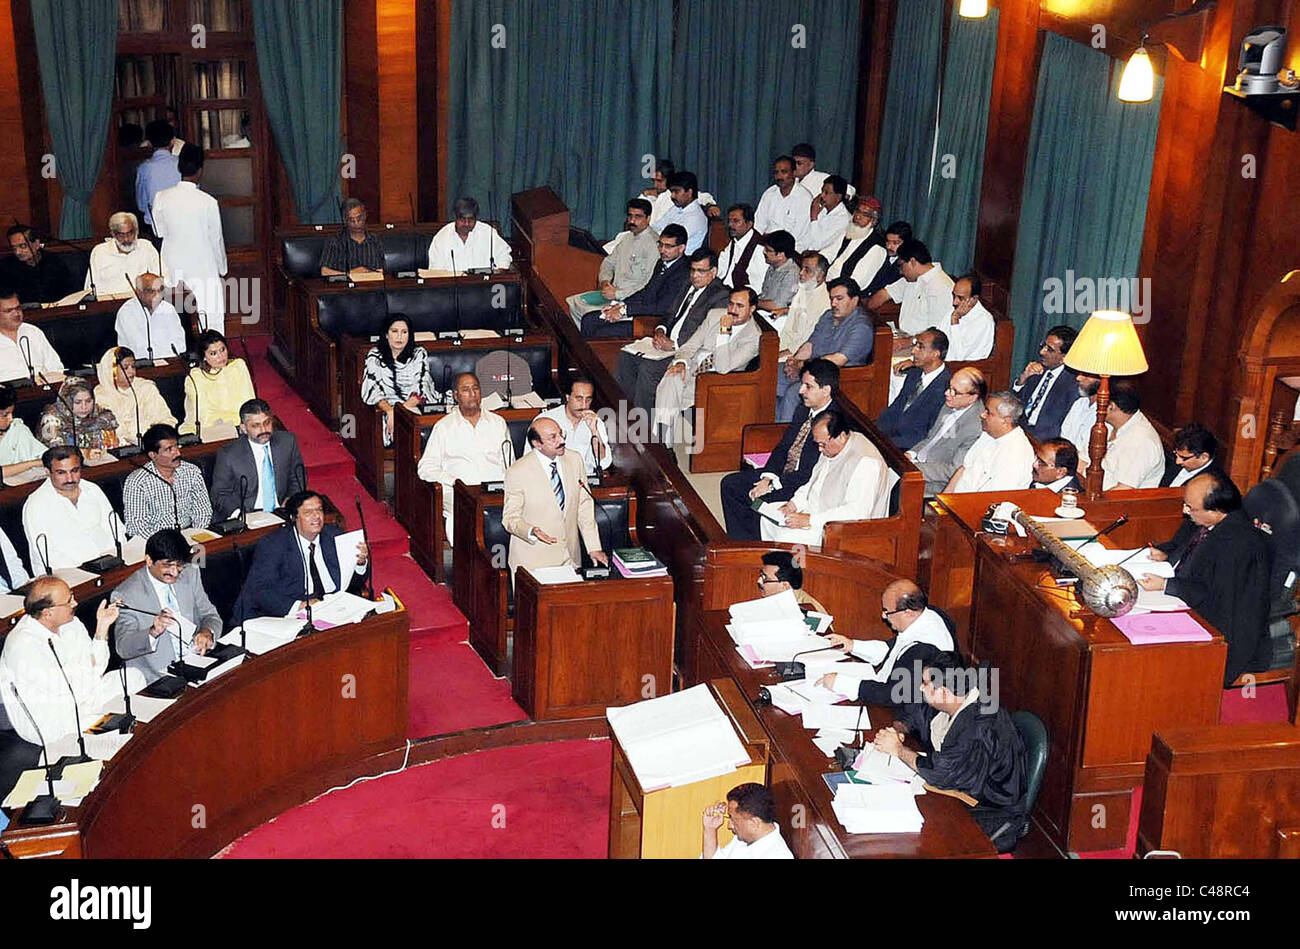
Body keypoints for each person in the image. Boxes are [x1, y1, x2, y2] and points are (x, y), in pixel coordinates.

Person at [872, 653, 1030, 850]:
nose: (921, 688)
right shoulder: (959, 698)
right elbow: (917, 711)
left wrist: (899, 750)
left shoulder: (976, 725)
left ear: (944, 691)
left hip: (991, 812)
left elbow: (941, 774)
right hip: (967, 790)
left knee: (912, 837)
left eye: (925, 683)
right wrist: (900, 728)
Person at [1140, 472, 1272, 686]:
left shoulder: (1238, 545)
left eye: (1190, 508)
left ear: (1217, 510)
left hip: (1226, 632)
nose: (1185, 511)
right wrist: (1166, 555)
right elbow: (1182, 547)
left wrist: (1166, 585)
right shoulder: (1205, 520)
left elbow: (1213, 596)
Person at [0, 578, 135, 748]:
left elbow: (98, 666)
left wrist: (102, 627)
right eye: (68, 601)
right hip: (53, 716)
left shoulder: (71, 623)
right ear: (48, 612)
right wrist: (89, 672)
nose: (75, 603)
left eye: (72, 596)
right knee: (110, 724)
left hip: (83, 696)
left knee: (132, 677)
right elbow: (66, 690)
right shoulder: (22, 644)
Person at [721, 358, 839, 539]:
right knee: (730, 484)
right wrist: (767, 478)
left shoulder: (833, 424)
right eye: (802, 385)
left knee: (758, 503)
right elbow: (784, 447)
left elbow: (811, 473)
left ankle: (753, 546)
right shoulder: (803, 410)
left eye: (808, 386)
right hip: (784, 474)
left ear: (826, 390)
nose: (801, 391)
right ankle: (740, 543)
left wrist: (773, 486)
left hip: (802, 485)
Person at [614, 249, 729, 414]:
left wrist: (675, 345)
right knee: (626, 356)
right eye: (693, 270)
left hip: (685, 352)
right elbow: (669, 313)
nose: (695, 275)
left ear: (714, 272)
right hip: (664, 343)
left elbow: (705, 335)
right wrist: (660, 330)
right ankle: (622, 412)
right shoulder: (687, 284)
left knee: (648, 368)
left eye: (701, 271)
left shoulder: (720, 296)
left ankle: (642, 425)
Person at [232, 490, 370, 624]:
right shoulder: (274, 544)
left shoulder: (335, 535)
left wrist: (360, 563)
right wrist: (300, 606)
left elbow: (354, 583)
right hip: (292, 612)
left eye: (319, 510)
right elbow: (261, 590)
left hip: (333, 608)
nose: (316, 516)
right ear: (294, 518)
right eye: (308, 512)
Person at [759, 411, 896, 544]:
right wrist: (793, 504)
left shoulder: (866, 462)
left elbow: (856, 512)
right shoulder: (832, 447)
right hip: (816, 512)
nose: (819, 449)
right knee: (768, 519)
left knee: (786, 535)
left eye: (822, 444)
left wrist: (810, 520)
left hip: (839, 529)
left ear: (841, 436)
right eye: (818, 444)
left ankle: (794, 567)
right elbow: (812, 483)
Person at [818, 580, 956, 706]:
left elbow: (892, 694)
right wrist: (852, 645)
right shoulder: (926, 615)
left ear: (908, 613)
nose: (883, 616)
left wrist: (840, 682)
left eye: (887, 612)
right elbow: (893, 651)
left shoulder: (924, 648)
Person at [502, 417, 607, 581]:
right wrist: (530, 530)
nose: (561, 440)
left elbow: (584, 506)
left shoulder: (574, 460)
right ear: (537, 444)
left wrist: (593, 547)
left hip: (570, 559)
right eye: (553, 437)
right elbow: (509, 518)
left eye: (561, 434)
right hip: (533, 561)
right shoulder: (517, 471)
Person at [653, 286, 763, 443]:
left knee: (667, 393)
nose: (732, 310)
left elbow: (723, 368)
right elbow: (690, 346)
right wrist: (681, 362)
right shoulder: (714, 315)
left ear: (752, 309)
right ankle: (664, 444)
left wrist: (724, 332)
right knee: (671, 377)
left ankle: (662, 443)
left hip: (715, 382)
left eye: (740, 306)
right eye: (731, 304)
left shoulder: (754, 338)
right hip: (692, 368)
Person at [112, 528, 222, 684]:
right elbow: (123, 647)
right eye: (168, 565)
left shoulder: (190, 573)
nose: (175, 572)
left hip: (197, 662)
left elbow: (210, 615)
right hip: (158, 676)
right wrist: (153, 632)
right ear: (149, 560)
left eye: (179, 565)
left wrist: (207, 632)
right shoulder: (126, 594)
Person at [416, 372, 513, 544]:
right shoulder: (444, 427)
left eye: (476, 388)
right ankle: (466, 561)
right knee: (463, 509)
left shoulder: (498, 423)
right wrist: (453, 481)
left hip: (495, 489)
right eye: (466, 390)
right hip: (458, 490)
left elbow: (510, 464)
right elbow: (426, 468)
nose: (472, 394)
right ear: (456, 395)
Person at [152, 144, 228, 335]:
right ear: (201, 170)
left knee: (176, 316)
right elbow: (216, 239)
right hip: (203, 266)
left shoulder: (161, 197)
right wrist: (222, 269)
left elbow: (158, 231)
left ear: (179, 167)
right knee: (210, 317)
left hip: (172, 265)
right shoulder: (208, 202)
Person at [776, 277, 871, 422]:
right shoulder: (828, 316)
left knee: (794, 392)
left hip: (838, 379)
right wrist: (794, 361)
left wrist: (803, 366)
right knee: (772, 376)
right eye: (832, 298)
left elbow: (839, 359)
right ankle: (767, 428)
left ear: (854, 300)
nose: (834, 304)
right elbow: (810, 344)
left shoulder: (861, 327)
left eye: (839, 299)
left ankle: (785, 436)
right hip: (810, 370)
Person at [22, 446, 124, 571]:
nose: (70, 479)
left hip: (109, 563)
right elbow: (46, 555)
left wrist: (116, 557)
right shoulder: (36, 504)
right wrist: (87, 569)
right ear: (48, 472)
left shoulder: (92, 490)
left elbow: (116, 528)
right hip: (67, 574)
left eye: (74, 471)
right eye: (61, 473)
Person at [580, 224, 690, 339]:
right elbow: (646, 291)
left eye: (668, 246)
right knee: (589, 320)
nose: (662, 250)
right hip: (639, 311)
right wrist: (621, 305)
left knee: (600, 332)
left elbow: (662, 307)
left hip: (652, 321)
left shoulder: (684, 272)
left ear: (681, 248)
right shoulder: (661, 262)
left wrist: (625, 310)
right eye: (660, 245)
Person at [209, 398, 307, 521]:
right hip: (248, 515)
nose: (264, 430)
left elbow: (297, 478)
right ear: (244, 428)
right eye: (256, 426)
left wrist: (290, 500)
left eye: (267, 423)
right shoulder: (228, 454)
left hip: (282, 512)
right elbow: (219, 494)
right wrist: (240, 515)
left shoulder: (287, 442)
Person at [566, 199, 659, 323]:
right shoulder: (627, 238)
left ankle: (590, 339)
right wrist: (605, 281)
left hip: (629, 299)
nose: (632, 221)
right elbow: (608, 262)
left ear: (648, 218)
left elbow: (647, 284)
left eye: (638, 217)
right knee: (574, 302)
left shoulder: (654, 244)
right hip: (611, 292)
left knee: (589, 317)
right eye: (630, 216)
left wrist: (618, 294)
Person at [907, 367, 988, 495]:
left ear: (973, 398)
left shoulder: (976, 428)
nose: (947, 393)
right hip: (917, 463)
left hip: (933, 483)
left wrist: (914, 468)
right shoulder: (951, 403)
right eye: (949, 387)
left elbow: (953, 470)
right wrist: (911, 454)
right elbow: (931, 438)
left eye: (955, 391)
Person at [122, 423, 213, 537]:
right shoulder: (137, 483)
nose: (177, 453)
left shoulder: (191, 471)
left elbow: (203, 511)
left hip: (190, 535)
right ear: (153, 455)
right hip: (156, 542)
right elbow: (136, 527)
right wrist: (165, 544)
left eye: (177, 446)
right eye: (169, 449)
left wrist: (197, 535)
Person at [361, 314, 437, 446]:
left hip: (412, 405)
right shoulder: (375, 356)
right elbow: (373, 390)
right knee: (388, 429)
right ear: (386, 334)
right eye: (394, 331)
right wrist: (390, 411)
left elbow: (421, 390)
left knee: (415, 428)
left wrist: (400, 413)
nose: (399, 337)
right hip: (386, 408)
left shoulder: (419, 353)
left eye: (404, 332)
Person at [945, 391, 1035, 493]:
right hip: (954, 499)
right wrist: (943, 498)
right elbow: (964, 468)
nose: (982, 415)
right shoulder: (989, 433)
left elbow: (993, 500)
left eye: (988, 412)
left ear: (1006, 420)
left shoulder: (1016, 454)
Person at [877, 328, 950, 451]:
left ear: (935, 354)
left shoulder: (946, 387)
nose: (913, 351)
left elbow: (928, 433)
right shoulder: (915, 373)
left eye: (920, 347)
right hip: (888, 437)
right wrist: (877, 432)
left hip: (907, 447)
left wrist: (887, 443)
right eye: (915, 345)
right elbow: (896, 407)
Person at [522, 376, 612, 475]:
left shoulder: (596, 422)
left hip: (585, 480)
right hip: (551, 480)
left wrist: (594, 431)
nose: (583, 405)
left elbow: (603, 462)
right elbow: (529, 459)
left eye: (588, 400)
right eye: (579, 399)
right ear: (567, 397)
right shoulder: (544, 420)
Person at [871, 239, 954, 342]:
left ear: (913, 262)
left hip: (921, 345)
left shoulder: (941, 287)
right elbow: (883, 294)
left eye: (901, 265)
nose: (900, 272)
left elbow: (936, 334)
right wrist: (867, 313)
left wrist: (905, 343)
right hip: (903, 337)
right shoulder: (911, 279)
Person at [93, 346, 177, 447]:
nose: (131, 372)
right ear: (112, 369)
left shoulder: (145, 387)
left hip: (152, 444)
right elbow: (108, 431)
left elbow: (165, 418)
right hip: (119, 448)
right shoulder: (101, 394)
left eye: (133, 366)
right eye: (125, 368)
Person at [179, 330, 256, 437]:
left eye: (222, 350)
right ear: (204, 356)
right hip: (210, 428)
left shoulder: (238, 366)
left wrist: (242, 424)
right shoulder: (195, 376)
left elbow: (249, 401)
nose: (221, 356)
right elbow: (204, 415)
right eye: (213, 353)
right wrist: (232, 424)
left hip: (241, 426)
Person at [1012, 325, 1078, 440]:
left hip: (1042, 440)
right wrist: (1022, 380)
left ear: (1065, 357)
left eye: (1050, 350)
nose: (1042, 352)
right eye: (1043, 346)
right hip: (1018, 431)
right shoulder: (1037, 371)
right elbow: (1013, 404)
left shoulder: (1072, 385)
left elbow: (1057, 427)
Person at [1099, 377, 1164, 490]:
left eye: (1100, 402)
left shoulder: (1141, 441)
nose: (1097, 406)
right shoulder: (1108, 424)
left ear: (1111, 406)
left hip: (1114, 503)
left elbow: (1123, 491)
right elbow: (1083, 459)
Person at [701, 783, 794, 859]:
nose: (729, 826)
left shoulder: (777, 856)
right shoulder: (746, 836)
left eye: (733, 820)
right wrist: (710, 830)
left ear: (754, 823)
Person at [114, 271, 187, 362]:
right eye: (151, 291)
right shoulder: (127, 312)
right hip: (139, 367)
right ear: (139, 292)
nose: (157, 295)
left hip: (169, 364)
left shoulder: (168, 309)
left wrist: (164, 361)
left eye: (160, 290)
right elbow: (137, 348)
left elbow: (180, 344)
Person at [85, 212, 162, 296]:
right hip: (109, 304)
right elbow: (90, 289)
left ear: (136, 231)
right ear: (113, 234)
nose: (126, 239)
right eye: (121, 235)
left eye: (130, 233)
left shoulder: (146, 247)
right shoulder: (100, 252)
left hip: (140, 302)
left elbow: (160, 279)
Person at [427, 196, 512, 272]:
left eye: (471, 220)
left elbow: (504, 256)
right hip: (451, 287)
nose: (466, 224)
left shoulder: (488, 233)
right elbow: (435, 271)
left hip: (483, 286)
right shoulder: (442, 237)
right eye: (462, 219)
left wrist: (499, 272)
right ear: (455, 218)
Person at [0, 225, 80, 304]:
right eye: (14, 248)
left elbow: (69, 292)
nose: (18, 252)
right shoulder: (6, 267)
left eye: (23, 246)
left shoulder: (54, 262)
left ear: (37, 244)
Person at [0, 286, 65, 383]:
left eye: (18, 308)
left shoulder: (33, 332)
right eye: (9, 311)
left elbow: (55, 367)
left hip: (42, 389)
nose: (16, 314)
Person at [38, 379, 119, 452]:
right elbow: (58, 451)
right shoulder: (50, 419)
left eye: (88, 401)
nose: (84, 407)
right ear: (66, 401)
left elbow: (111, 423)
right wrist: (85, 452)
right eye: (77, 402)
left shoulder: (96, 411)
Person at [826, 195, 887, 289]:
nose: (858, 216)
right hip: (826, 283)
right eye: (858, 211)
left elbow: (857, 283)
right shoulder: (850, 231)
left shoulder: (877, 248)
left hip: (843, 294)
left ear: (874, 221)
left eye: (865, 214)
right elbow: (828, 253)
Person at [780, 252, 831, 360]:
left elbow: (805, 340)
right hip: (783, 341)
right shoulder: (806, 288)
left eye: (807, 270)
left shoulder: (822, 305)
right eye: (802, 268)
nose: (801, 273)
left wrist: (777, 354)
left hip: (796, 355)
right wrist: (784, 310)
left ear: (820, 275)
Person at [754, 155, 813, 246]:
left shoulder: (804, 197)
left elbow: (798, 233)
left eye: (784, 172)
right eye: (776, 172)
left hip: (791, 248)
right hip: (766, 245)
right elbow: (759, 225)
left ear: (794, 173)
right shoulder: (769, 193)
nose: (779, 176)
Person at [135, 119, 182, 231]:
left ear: (149, 143)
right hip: (183, 220)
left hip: (156, 225)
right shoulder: (182, 163)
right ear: (172, 141)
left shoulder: (144, 168)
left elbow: (141, 204)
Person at [319, 198, 386, 276]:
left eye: (359, 218)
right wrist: (349, 274)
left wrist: (368, 274)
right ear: (345, 221)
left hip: (372, 284)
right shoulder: (335, 241)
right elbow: (324, 271)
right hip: (345, 286)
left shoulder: (375, 240)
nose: (356, 223)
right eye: (351, 220)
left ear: (364, 216)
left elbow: (382, 270)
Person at [1059, 370, 1106, 476]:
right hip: (1064, 463)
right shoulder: (1079, 403)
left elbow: (1086, 460)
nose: (1078, 378)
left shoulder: (1107, 414)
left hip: (1081, 473)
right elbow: (1064, 439)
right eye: (1080, 374)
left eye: (1086, 375)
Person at [716, 204, 768, 292]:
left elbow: (758, 286)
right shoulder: (734, 241)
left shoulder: (759, 248)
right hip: (725, 290)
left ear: (749, 224)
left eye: (736, 221)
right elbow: (722, 269)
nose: (730, 225)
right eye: (729, 221)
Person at [0, 383, 48, 478]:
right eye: (5, 415)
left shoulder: (18, 430)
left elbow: (47, 458)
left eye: (11, 413)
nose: (11, 418)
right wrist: (30, 464)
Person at [945, 273, 995, 361]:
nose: (955, 302)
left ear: (974, 299)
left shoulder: (984, 321)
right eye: (954, 296)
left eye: (960, 298)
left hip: (962, 368)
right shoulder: (954, 310)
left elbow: (960, 357)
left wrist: (955, 322)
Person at [654, 172, 708, 254]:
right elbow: (656, 227)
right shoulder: (676, 208)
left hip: (682, 262)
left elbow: (671, 241)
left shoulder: (695, 218)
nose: (672, 196)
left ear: (689, 192)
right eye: (671, 192)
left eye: (676, 192)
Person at [757, 550, 826, 613]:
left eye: (765, 578)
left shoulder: (810, 612)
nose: (759, 581)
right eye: (761, 575)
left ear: (785, 586)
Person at [861, 220, 912, 299]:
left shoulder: (907, 266)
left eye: (895, 243)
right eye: (888, 242)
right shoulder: (878, 253)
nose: (889, 246)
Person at [1161, 422, 1222, 488]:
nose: (1177, 461)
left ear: (1204, 457)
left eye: (1183, 458)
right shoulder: (1177, 458)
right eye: (1176, 453)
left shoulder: (1212, 484)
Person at [804, 175, 852, 257]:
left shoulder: (843, 219)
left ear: (838, 197)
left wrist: (814, 217)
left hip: (821, 259)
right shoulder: (822, 208)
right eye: (822, 191)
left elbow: (816, 245)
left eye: (826, 193)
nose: (822, 195)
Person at [755, 231, 800, 315]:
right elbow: (764, 295)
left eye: (768, 250)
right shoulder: (773, 266)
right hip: (762, 311)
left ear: (781, 255)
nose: (764, 252)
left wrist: (752, 301)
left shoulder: (791, 274)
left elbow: (778, 305)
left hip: (776, 317)